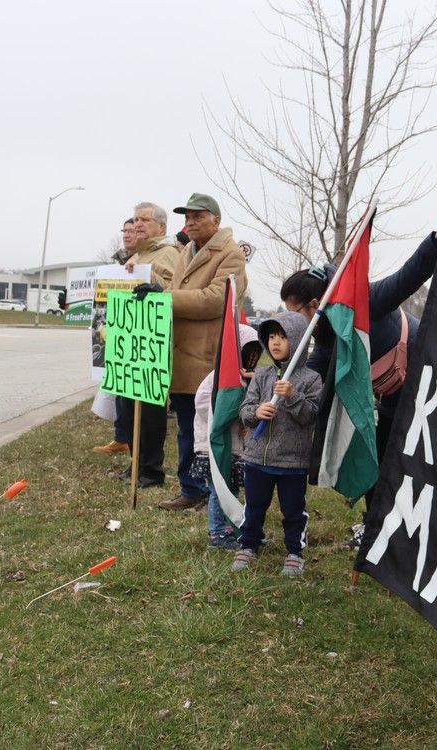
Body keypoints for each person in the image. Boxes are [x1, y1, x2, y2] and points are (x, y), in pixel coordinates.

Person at [279, 218, 437, 545]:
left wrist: (434, 241)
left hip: (425, 378)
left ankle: (422, 529)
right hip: (388, 392)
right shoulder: (326, 338)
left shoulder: (365, 302)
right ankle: (376, 527)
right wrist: (277, 395)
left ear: (316, 306)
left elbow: (406, 278)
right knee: (376, 455)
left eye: (294, 313)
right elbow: (310, 380)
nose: (291, 321)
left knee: (414, 461)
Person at [134, 193, 249, 510]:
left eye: (198, 216)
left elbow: (216, 298)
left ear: (216, 220)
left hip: (208, 356)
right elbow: (178, 290)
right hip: (183, 355)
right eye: (187, 217)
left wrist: (166, 298)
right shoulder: (187, 250)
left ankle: (213, 490)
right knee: (187, 426)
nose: (191, 222)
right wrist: (155, 289)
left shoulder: (231, 254)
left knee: (210, 428)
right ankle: (191, 488)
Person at [234, 312, 322, 576]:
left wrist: (293, 396)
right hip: (257, 458)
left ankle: (295, 551)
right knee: (254, 506)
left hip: (292, 461)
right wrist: (256, 412)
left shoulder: (311, 379)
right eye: (271, 336)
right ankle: (248, 544)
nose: (275, 342)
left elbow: (310, 415)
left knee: (293, 510)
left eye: (282, 337)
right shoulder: (261, 376)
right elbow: (245, 410)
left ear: (297, 340)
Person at [113, 203, 181, 488]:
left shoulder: (170, 253)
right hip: (130, 340)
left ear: (161, 228)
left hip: (152, 343)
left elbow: (173, 288)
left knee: (150, 409)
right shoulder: (138, 253)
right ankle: (136, 463)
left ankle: (151, 470)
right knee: (128, 407)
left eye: (145, 220)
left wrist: (146, 275)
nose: (137, 224)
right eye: (135, 219)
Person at [191, 324, 263, 549]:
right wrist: (229, 413)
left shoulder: (248, 379)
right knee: (218, 490)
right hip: (214, 446)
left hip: (234, 448)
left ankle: (230, 528)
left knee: (231, 488)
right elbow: (203, 403)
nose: (251, 358)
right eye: (247, 352)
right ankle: (218, 533)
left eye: (256, 354)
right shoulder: (218, 377)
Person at [89, 217, 138, 456]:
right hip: (114, 329)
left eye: (132, 231)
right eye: (125, 231)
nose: (127, 235)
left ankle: (131, 442)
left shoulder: (144, 259)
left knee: (130, 392)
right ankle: (121, 438)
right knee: (118, 386)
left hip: (136, 331)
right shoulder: (117, 260)